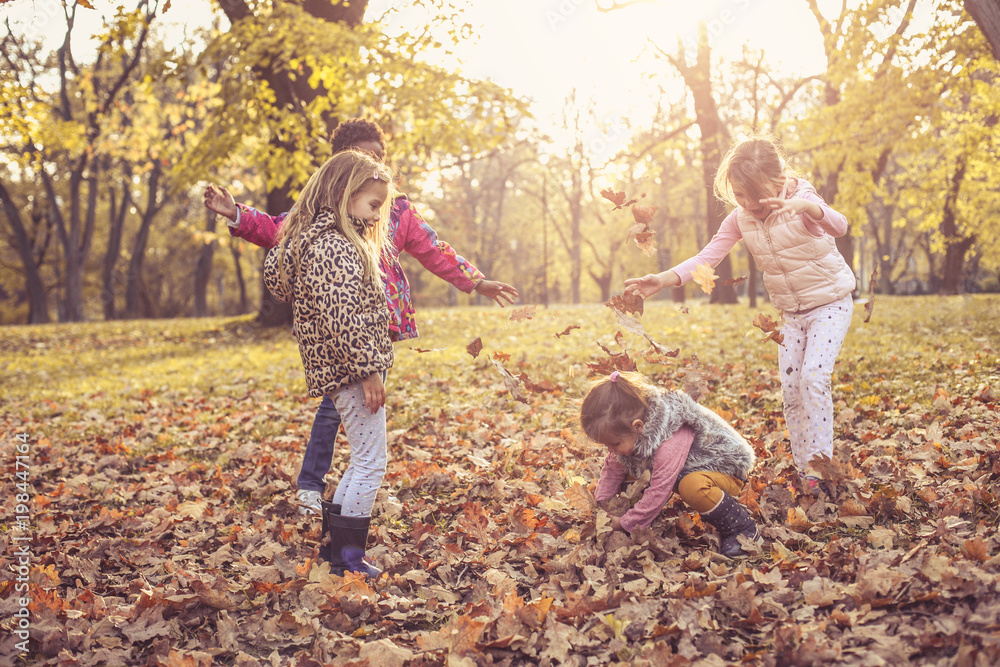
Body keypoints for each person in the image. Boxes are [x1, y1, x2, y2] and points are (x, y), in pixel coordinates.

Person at [205, 119, 518, 516]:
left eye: (379, 157)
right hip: (340, 325)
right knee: (338, 406)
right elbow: (276, 229)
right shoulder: (322, 212)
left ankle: (358, 485)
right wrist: (236, 213)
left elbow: (435, 249)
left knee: (365, 409)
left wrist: (476, 281)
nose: (374, 165)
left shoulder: (396, 207)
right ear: (342, 165)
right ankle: (314, 485)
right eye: (363, 157)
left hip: (379, 324)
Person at [624, 136, 855, 494]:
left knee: (813, 377)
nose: (748, 204)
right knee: (792, 391)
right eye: (740, 196)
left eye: (755, 196)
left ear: (776, 183)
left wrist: (809, 210)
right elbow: (707, 257)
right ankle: (804, 470)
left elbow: (841, 225)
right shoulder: (741, 218)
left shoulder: (803, 200)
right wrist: (664, 279)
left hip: (831, 304)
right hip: (791, 316)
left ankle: (821, 467)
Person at [263, 149, 394, 578]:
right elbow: (344, 317)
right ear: (343, 193)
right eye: (372, 205)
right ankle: (347, 560)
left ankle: (332, 551)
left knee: (361, 457)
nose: (377, 217)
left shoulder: (324, 242)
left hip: (345, 369)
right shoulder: (334, 247)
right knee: (371, 460)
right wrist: (369, 369)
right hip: (351, 370)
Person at [582, 371, 759, 557]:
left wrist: (626, 524)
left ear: (638, 426)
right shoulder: (633, 431)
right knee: (626, 462)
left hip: (725, 470)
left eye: (614, 443)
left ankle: (742, 529)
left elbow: (661, 488)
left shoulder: (671, 436)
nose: (610, 449)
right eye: (606, 445)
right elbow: (612, 469)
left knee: (691, 486)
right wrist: (602, 506)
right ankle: (635, 512)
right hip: (687, 469)